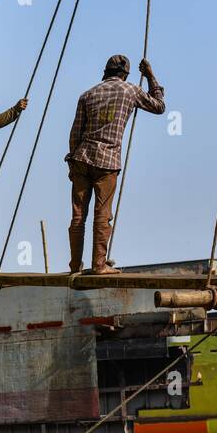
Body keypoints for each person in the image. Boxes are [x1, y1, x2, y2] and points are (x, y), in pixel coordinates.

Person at [65, 55, 165, 274]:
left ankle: (74, 266)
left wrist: (72, 161)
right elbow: (159, 107)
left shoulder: (87, 95)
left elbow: (75, 133)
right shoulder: (130, 90)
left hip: (82, 158)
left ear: (106, 72)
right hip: (107, 162)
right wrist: (150, 76)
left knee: (78, 215)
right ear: (125, 75)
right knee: (102, 215)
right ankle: (99, 265)